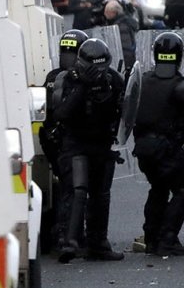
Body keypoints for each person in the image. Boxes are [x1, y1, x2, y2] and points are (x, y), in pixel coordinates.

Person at [131, 30, 184, 257]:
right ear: (179, 56)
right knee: (183, 191)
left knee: (158, 188)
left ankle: (152, 238)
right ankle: (167, 239)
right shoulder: (181, 86)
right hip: (169, 150)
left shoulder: (142, 80)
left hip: (144, 149)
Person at [50, 37, 126, 262]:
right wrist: (83, 86)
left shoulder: (113, 79)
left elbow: (125, 110)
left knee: (101, 195)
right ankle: (69, 241)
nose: (98, 72)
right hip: (75, 143)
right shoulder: (67, 79)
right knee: (77, 190)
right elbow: (61, 113)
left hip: (102, 143)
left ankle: (98, 244)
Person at [41, 30, 87, 256]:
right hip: (69, 141)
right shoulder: (74, 79)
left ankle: (71, 232)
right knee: (73, 189)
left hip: (51, 140)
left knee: (67, 187)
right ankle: (64, 235)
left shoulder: (52, 77)